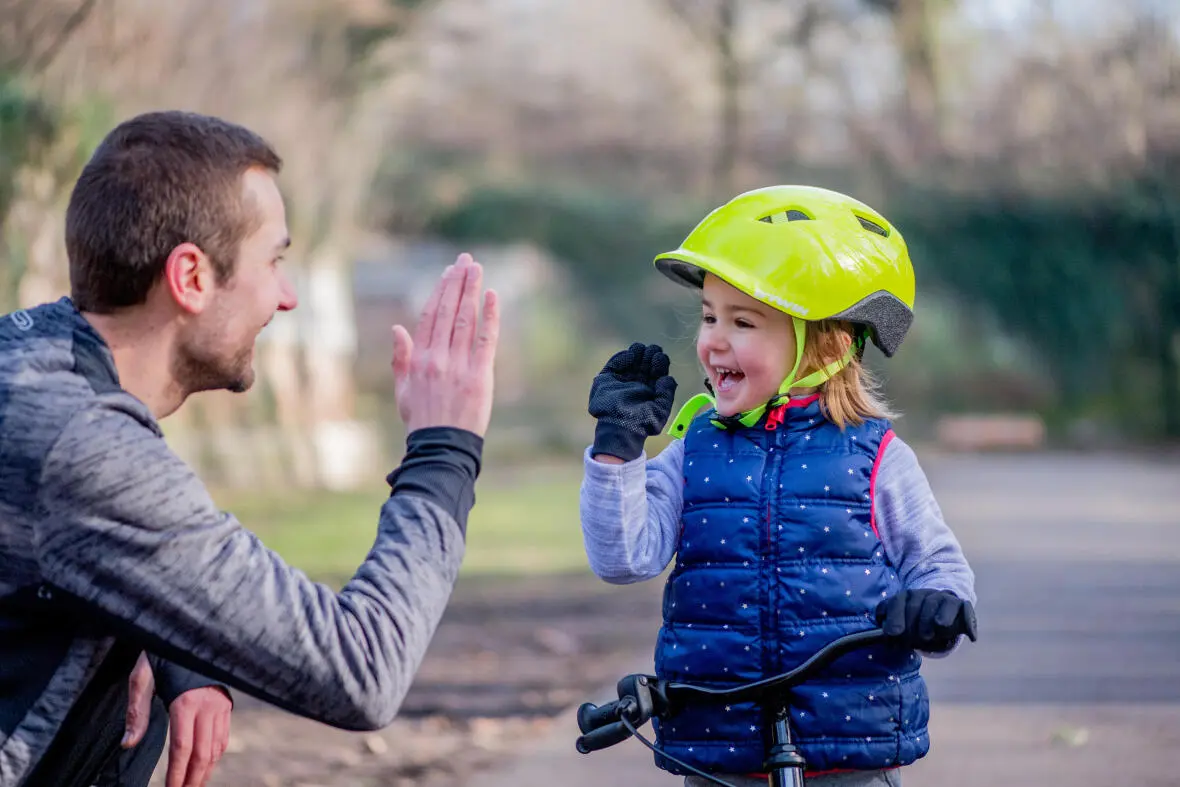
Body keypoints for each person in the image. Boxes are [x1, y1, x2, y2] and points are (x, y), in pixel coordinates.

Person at [0, 110, 499, 787]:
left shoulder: (29, 362)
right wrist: (444, 450)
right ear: (191, 278)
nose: (286, 297)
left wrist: (176, 645)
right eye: (275, 260)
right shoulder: (82, 443)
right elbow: (361, 668)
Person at [579, 185, 977, 787]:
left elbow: (940, 569)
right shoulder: (695, 450)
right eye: (710, 316)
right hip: (720, 745)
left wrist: (937, 609)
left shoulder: (877, 459)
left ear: (826, 344)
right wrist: (617, 447)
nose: (713, 339)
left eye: (744, 322)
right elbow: (623, 557)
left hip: (848, 750)